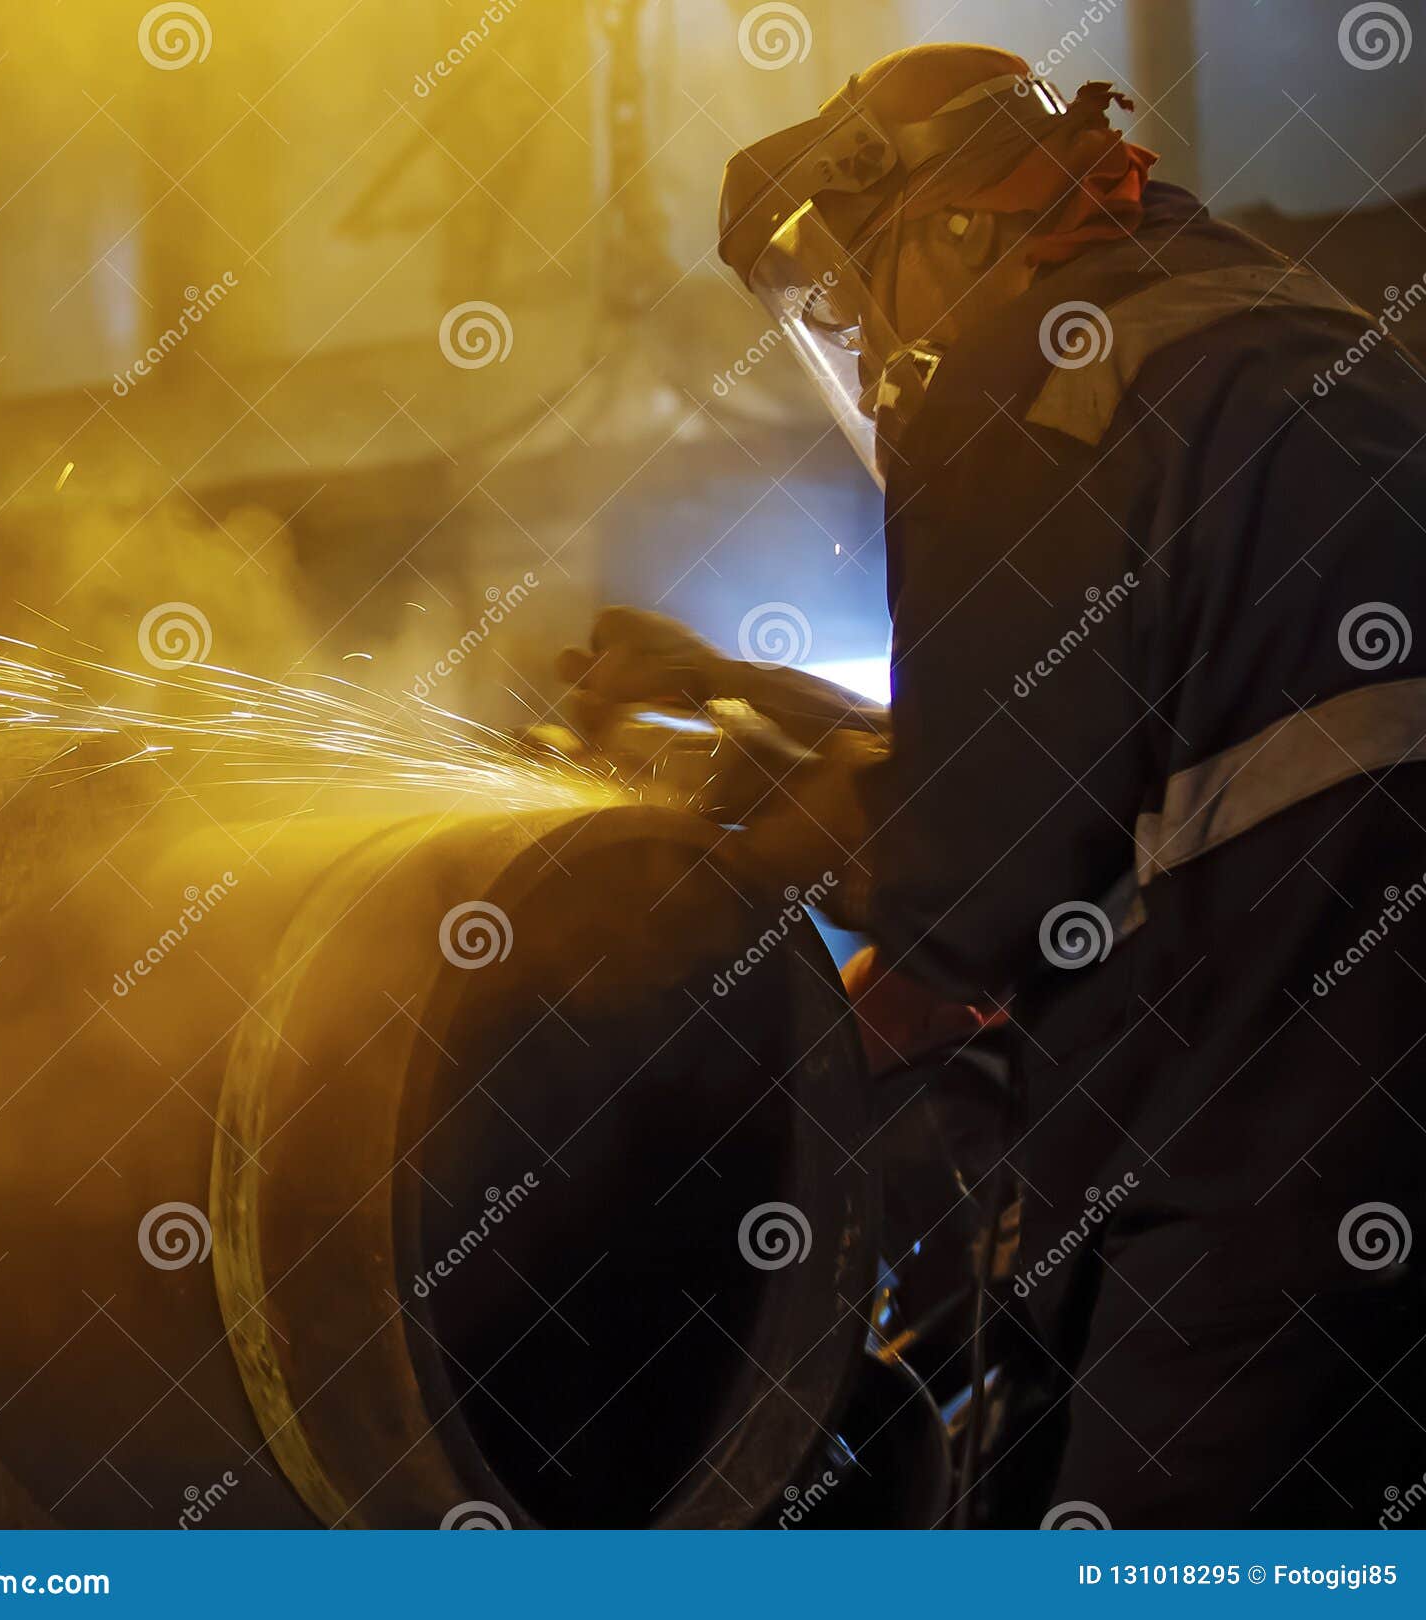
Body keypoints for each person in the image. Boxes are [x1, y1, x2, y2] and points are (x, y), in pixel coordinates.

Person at [558, 42, 1426, 1528]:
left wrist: (717, 1079)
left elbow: (978, 892)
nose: (862, 347)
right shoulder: (1266, 321)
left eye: (857, 298)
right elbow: (1069, 743)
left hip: (1285, 1116)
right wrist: (744, 696)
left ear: (957, 227)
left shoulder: (1008, 376)